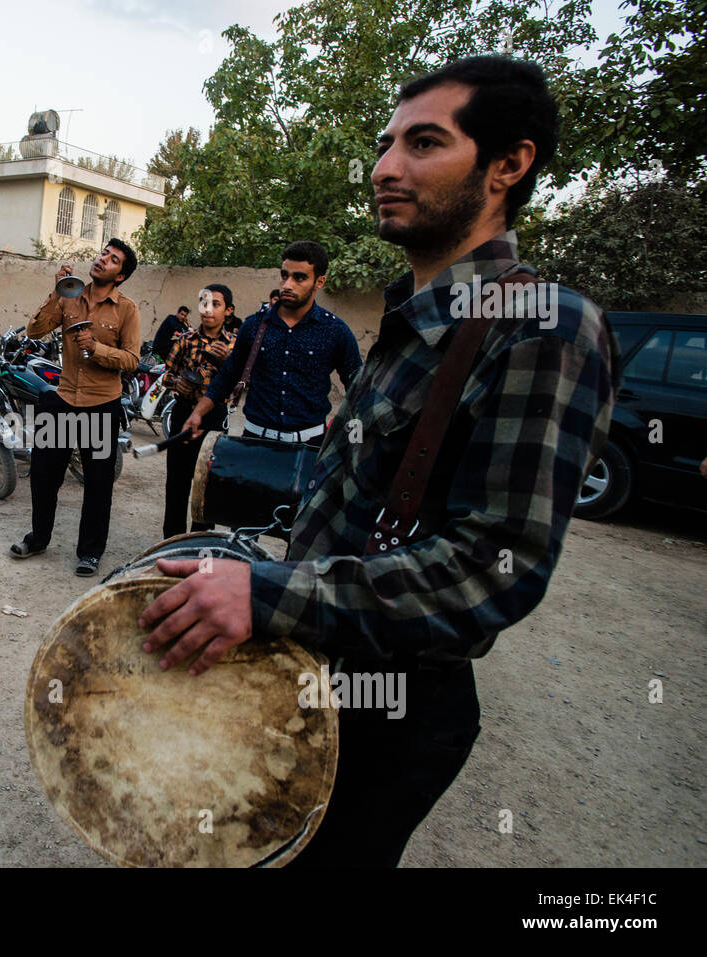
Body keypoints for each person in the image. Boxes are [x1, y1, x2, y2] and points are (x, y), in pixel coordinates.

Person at [138, 56, 617, 867]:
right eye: (387, 143)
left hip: (394, 700)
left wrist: (265, 592)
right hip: (318, 658)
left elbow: (493, 570)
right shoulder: (407, 323)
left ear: (509, 164)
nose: (386, 167)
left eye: (425, 143)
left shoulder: (543, 325)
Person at [9, 240, 141, 577]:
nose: (102, 260)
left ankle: (90, 553)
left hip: (101, 405)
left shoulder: (126, 309)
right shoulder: (70, 297)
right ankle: (38, 539)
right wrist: (56, 292)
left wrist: (97, 349)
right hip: (64, 398)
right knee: (43, 476)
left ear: (120, 276)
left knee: (97, 485)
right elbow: (36, 329)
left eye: (112, 260)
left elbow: (131, 360)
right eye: (102, 254)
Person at [184, 241, 362, 449]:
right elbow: (228, 376)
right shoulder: (254, 326)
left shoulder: (335, 331)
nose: (287, 285)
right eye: (284, 275)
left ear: (319, 282)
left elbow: (358, 391)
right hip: (254, 442)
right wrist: (197, 413)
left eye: (299, 278)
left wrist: (356, 443)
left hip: (309, 447)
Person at [159, 284, 236, 539]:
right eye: (204, 303)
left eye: (216, 304)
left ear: (228, 311)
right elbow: (165, 374)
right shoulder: (184, 340)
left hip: (214, 419)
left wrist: (228, 361)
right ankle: (172, 543)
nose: (208, 310)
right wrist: (175, 382)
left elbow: (245, 384)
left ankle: (199, 544)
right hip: (183, 414)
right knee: (177, 484)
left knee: (206, 487)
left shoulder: (235, 347)